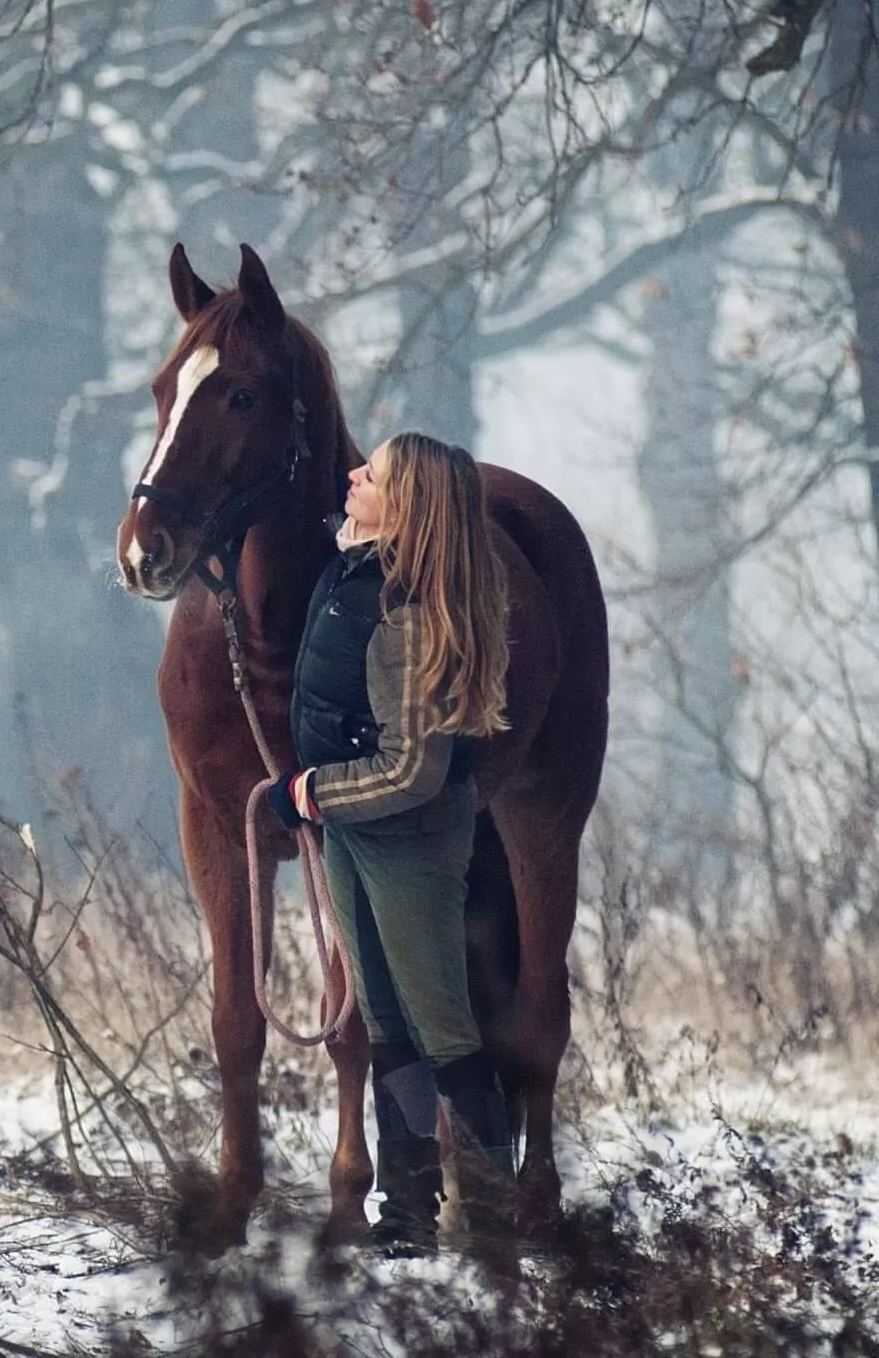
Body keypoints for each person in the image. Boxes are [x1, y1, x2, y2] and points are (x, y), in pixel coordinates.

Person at [263, 431, 513, 1256]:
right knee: (389, 1025)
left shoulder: (403, 613)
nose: (352, 475)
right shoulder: (354, 574)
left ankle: (493, 1224)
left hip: (403, 835)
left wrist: (311, 792)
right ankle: (408, 1217)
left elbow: (411, 771)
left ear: (404, 508)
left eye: (371, 475)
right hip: (350, 832)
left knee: (442, 1029)